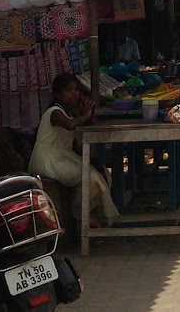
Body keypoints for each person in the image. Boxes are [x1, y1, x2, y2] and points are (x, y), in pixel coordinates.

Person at [29, 73, 120, 228]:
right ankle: (80, 215)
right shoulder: (54, 112)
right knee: (90, 177)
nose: (74, 94)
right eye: (68, 90)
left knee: (101, 172)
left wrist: (88, 114)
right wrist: (85, 116)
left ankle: (87, 213)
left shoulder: (70, 111)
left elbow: (82, 124)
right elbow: (71, 125)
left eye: (76, 90)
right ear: (57, 94)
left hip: (62, 157)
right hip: (48, 160)